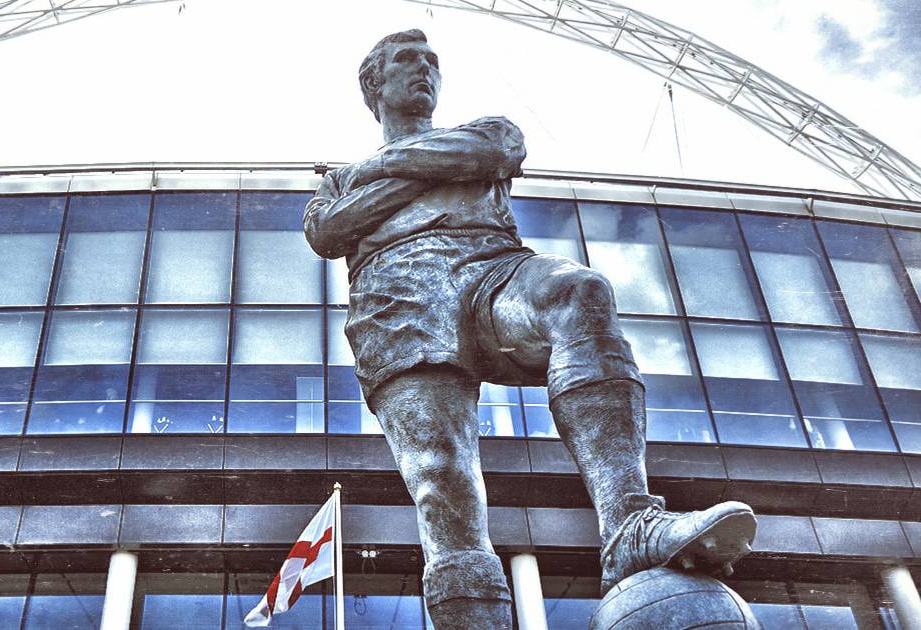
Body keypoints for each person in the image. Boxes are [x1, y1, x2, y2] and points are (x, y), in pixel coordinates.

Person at [304, 29, 756, 627]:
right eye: (407, 60)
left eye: (433, 60)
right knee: (443, 483)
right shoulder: (337, 184)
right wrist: (431, 168)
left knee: (578, 292)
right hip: (397, 304)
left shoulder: (478, 132)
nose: (425, 69)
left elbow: (499, 148)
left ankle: (628, 523)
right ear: (374, 84)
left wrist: (378, 172)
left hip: (490, 270)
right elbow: (328, 230)